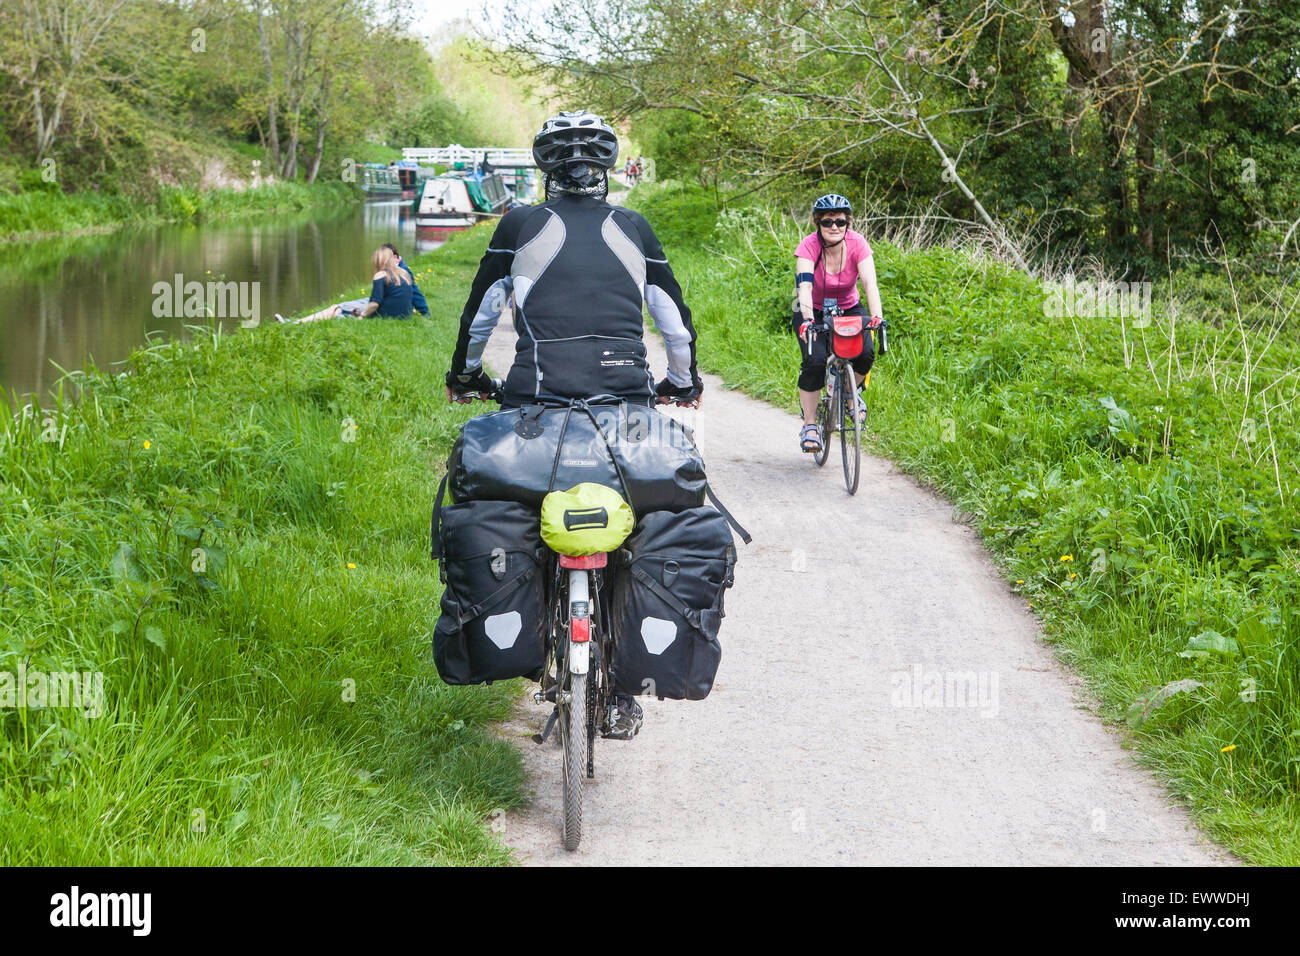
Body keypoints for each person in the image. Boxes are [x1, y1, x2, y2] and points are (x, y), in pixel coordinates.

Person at [445, 109, 703, 740]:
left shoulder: (519, 225)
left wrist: (466, 376)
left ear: (545, 169)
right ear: (607, 169)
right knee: (638, 518)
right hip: (625, 405)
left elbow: (479, 318)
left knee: (520, 511)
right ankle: (619, 685)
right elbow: (673, 324)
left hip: (537, 402)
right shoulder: (635, 228)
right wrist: (683, 382)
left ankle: (532, 638)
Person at [793, 193, 884, 453]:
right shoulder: (808, 246)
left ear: (848, 223)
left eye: (841, 222)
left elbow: (870, 283)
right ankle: (810, 424)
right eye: (828, 222)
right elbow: (805, 286)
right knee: (815, 361)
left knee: (865, 355)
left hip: (849, 308)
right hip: (813, 309)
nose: (834, 227)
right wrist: (809, 321)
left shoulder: (858, 244)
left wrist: (876, 316)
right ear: (818, 224)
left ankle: (848, 394)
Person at [278, 247, 416, 323]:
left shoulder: (381, 275)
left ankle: (295, 323)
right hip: (402, 315)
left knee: (336, 309)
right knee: (348, 305)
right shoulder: (404, 273)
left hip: (384, 315)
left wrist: (362, 316)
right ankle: (295, 322)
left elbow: (375, 303)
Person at [380, 242, 430, 316]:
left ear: (395, 257)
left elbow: (414, 291)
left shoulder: (403, 270)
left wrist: (424, 310)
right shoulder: (390, 267)